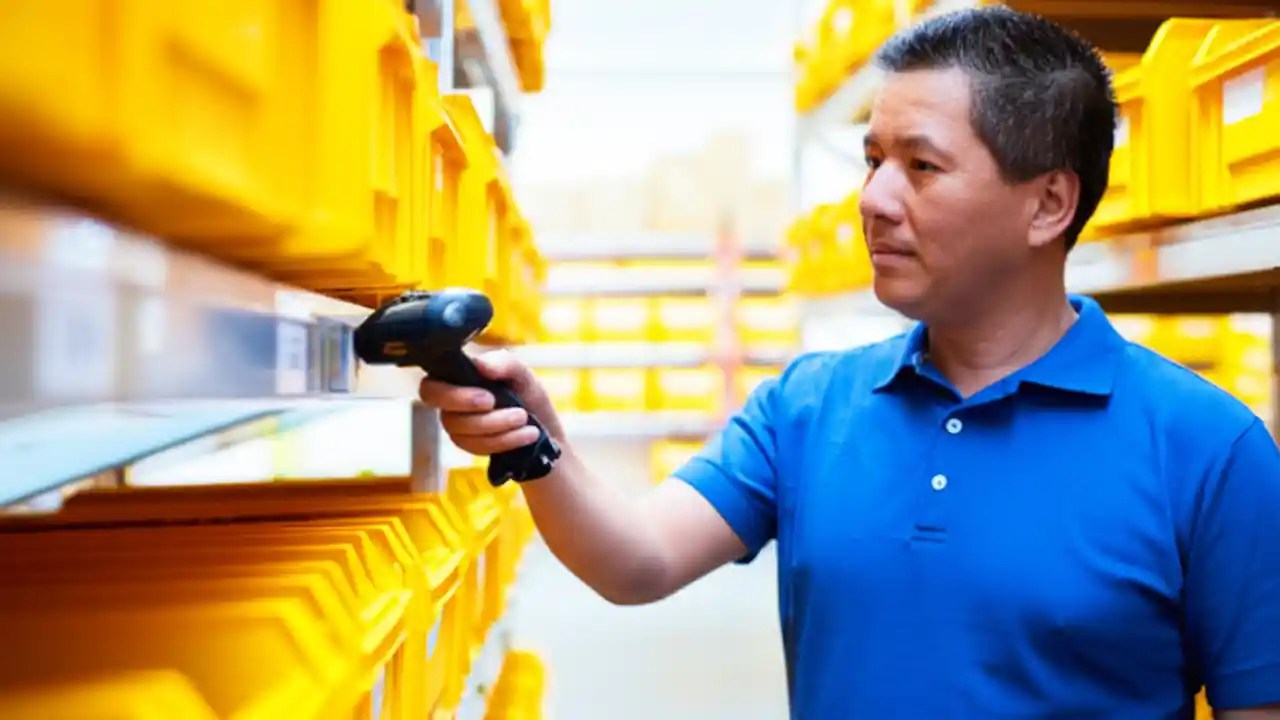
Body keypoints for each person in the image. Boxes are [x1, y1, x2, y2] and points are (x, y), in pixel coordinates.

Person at [420, 6, 1280, 718]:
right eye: (871, 160)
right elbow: (635, 561)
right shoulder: (808, 405)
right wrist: (533, 440)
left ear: (1048, 203)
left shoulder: (1209, 450)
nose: (871, 200)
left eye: (921, 166)